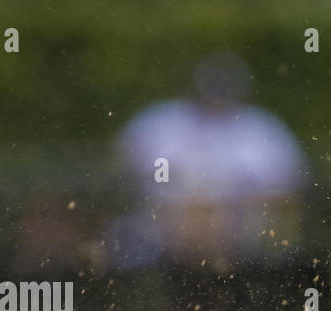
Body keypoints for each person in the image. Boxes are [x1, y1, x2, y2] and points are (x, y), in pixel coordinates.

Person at [111, 52, 308, 271]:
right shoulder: (161, 123)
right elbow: (127, 176)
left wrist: (220, 215)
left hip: (241, 235)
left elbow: (282, 195)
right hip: (161, 232)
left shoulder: (262, 130)